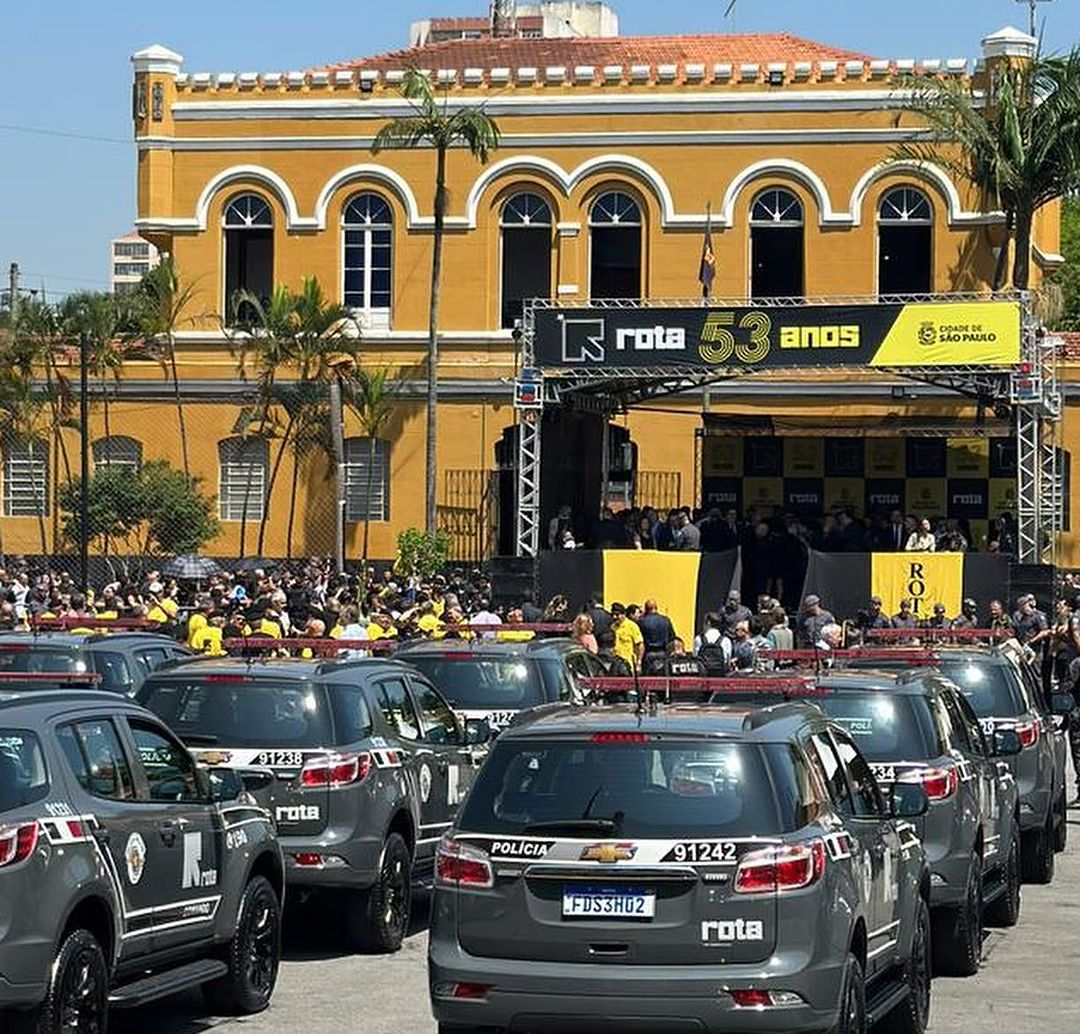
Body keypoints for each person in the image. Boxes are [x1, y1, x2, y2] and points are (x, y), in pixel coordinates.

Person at [695, 612, 732, 676]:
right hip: (720, 675)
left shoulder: (699, 639)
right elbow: (727, 661)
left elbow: (695, 657)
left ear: (708, 622)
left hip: (703, 675)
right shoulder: (726, 640)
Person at [610, 602, 644, 672]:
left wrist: (639, 662)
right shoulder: (612, 627)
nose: (614, 617)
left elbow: (640, 645)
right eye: (613, 614)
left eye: (617, 615)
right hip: (615, 664)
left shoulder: (632, 626)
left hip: (628, 665)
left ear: (624, 614)